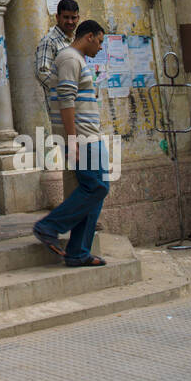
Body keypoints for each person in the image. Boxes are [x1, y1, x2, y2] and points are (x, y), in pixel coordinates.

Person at [33, 20, 111, 268]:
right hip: (83, 137)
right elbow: (66, 100)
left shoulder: (77, 59)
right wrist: (73, 140)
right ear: (89, 37)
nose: (100, 47)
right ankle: (48, 226)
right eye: (99, 41)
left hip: (91, 135)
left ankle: (78, 253)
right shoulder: (69, 58)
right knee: (96, 187)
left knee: (96, 192)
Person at [34, 0, 80, 113]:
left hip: (79, 104)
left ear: (78, 18)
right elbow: (42, 73)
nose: (70, 21)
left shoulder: (76, 41)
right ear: (57, 17)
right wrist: (65, 91)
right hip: (60, 106)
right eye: (66, 17)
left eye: (73, 18)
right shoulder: (49, 41)